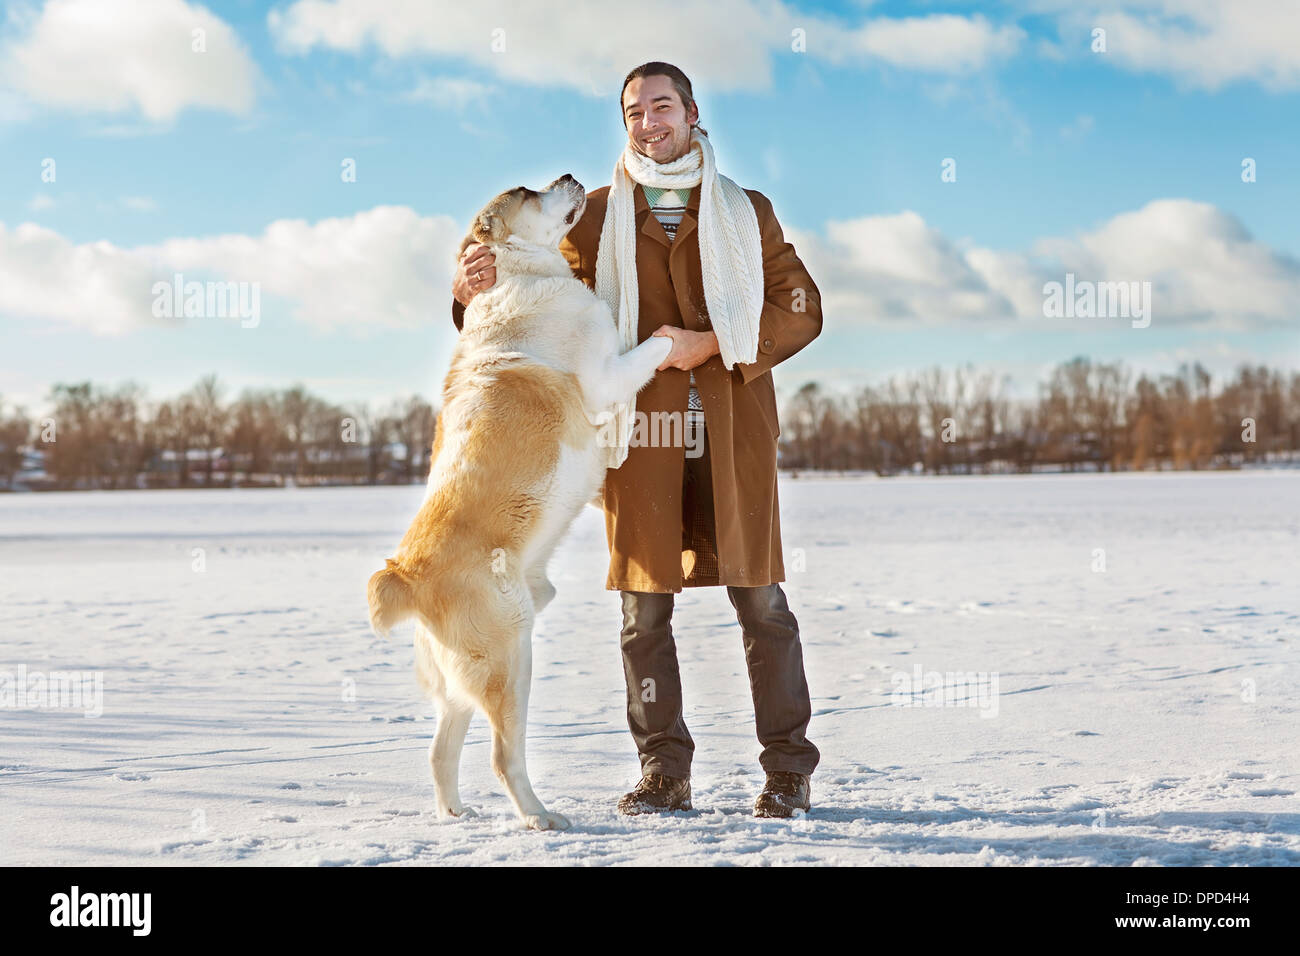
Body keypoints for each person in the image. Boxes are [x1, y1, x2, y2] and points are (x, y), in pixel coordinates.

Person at [449, 62, 822, 818]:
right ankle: (664, 772)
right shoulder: (587, 217)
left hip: (732, 436)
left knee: (763, 607)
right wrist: (466, 294)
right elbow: (524, 293)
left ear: (691, 112)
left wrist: (711, 343)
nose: (648, 122)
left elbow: (801, 307)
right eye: (632, 112)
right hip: (637, 441)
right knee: (643, 614)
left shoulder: (746, 211)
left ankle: (788, 770)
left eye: (661, 106)